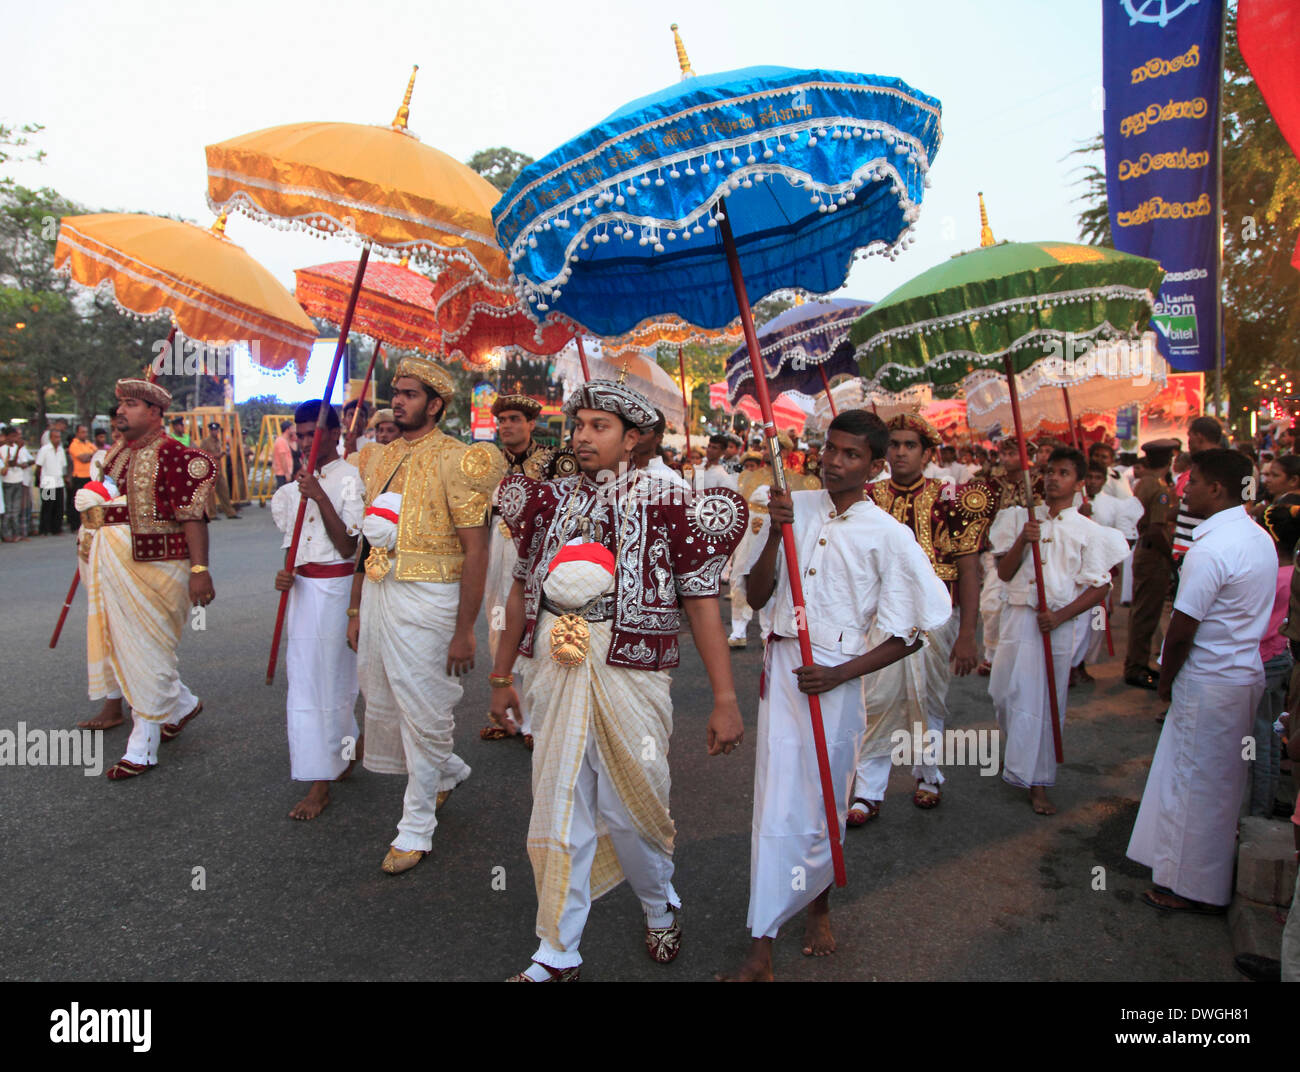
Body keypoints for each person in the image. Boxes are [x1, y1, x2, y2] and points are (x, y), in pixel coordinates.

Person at [488, 380, 748, 982]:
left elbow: (703, 602)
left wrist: (726, 698)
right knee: (557, 805)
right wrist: (501, 675)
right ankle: (557, 949)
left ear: (634, 438)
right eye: (577, 425)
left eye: (598, 426)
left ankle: (659, 905)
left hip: (631, 669)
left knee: (634, 806)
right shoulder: (546, 501)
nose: (581, 436)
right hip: (554, 663)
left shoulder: (668, 500)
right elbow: (522, 589)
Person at [719, 409, 951, 981]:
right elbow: (756, 592)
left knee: (826, 799)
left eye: (851, 455)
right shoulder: (790, 508)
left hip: (838, 684)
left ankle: (818, 904)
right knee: (775, 803)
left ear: (874, 467)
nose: (835, 461)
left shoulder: (889, 535)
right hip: (783, 671)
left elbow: (910, 634)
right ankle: (762, 942)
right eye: (830, 449)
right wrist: (775, 531)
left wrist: (842, 673)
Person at [346, 356, 505, 874]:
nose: (399, 401)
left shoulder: (460, 459)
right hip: (378, 592)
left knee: (424, 707)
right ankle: (448, 770)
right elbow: (362, 539)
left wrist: (466, 630)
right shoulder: (376, 458)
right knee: (382, 690)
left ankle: (416, 826)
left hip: (433, 599)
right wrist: (353, 606)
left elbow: (476, 551)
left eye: (411, 394)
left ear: (435, 405)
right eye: (397, 392)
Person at [1128, 449, 1277, 912]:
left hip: (1210, 678)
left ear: (1216, 489)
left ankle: (1192, 887)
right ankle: (1191, 876)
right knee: (1216, 783)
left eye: (1190, 484)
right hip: (1238, 674)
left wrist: (1165, 683)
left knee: (1194, 785)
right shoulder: (1257, 537)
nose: (1182, 491)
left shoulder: (1213, 547)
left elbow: (1180, 631)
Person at [849, 413, 995, 821]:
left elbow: (968, 568)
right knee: (876, 699)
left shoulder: (952, 498)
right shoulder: (867, 497)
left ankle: (927, 774)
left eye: (909, 445)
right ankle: (868, 790)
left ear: (927, 453)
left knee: (929, 698)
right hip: (879, 615)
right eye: (893, 444)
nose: (899, 452)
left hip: (934, 618)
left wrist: (968, 633)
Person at [76, 378, 216, 773]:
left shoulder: (173, 453)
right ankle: (181, 704)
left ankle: (143, 744)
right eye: (120, 404)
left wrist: (200, 570)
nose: (121, 411)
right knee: (132, 647)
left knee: (148, 651)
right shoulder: (116, 456)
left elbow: (193, 516)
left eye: (131, 404)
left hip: (160, 567)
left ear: (155, 413)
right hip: (115, 565)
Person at [990, 447, 1128, 814]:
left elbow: (1100, 587)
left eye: (1063, 473)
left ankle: (1038, 781)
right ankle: (1018, 756)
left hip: (1056, 624)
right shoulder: (1022, 518)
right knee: (1004, 693)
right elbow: (1004, 574)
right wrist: (1024, 539)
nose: (1052, 478)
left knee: (1043, 703)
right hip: (1018, 616)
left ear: (1079, 483)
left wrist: (1062, 615)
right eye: (1050, 471)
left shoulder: (1089, 531)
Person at [271, 400, 365, 820]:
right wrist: (285, 574)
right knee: (306, 680)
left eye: (314, 434)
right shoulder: (289, 491)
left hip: (337, 590)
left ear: (335, 433)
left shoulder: (350, 479)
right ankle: (338, 753)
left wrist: (319, 495)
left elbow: (348, 546)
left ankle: (320, 781)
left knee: (330, 682)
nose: (306, 442)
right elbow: (291, 548)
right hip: (303, 592)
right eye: (301, 435)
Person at [479, 393, 571, 749]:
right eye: (501, 421)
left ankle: (535, 719)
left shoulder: (555, 461)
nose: (506, 427)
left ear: (532, 423)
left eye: (514, 419)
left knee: (531, 628)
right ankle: (510, 712)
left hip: (534, 549)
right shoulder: (487, 462)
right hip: (496, 547)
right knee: (497, 624)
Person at [977, 436, 1042, 675]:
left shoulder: (1040, 482)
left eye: (1013, 454)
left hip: (1033, 549)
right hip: (998, 549)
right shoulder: (991, 483)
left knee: (1025, 603)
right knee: (991, 603)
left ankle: (1024, 655)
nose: (1006, 459)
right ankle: (992, 656)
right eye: (1004, 453)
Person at [1249, 503, 1298, 818]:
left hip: (1265, 657)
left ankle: (1258, 810)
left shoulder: (1272, 575)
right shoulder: (1294, 570)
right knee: (1272, 736)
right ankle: (1264, 805)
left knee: (1261, 740)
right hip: (1285, 657)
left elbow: (1260, 627)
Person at [1123, 439, 1179, 689]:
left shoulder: (1143, 482)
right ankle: (1136, 667)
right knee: (1147, 613)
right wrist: (1171, 558)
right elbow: (1157, 529)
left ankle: (1138, 663)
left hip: (1144, 551)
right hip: (1153, 553)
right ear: (1169, 461)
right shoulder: (1160, 488)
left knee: (1141, 612)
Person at [1171, 416, 1222, 561]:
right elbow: (1248, 498)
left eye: (1189, 437)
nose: (1188, 443)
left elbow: (1248, 498)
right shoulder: (1241, 464)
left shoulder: (1204, 464)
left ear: (1198, 437)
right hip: (1196, 545)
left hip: (1197, 547)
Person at [200, 422, 240, 520]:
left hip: (219, 470)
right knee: (211, 494)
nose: (215, 432)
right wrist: (215, 456)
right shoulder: (206, 442)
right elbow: (202, 455)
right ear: (210, 431)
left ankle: (230, 512)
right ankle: (212, 514)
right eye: (213, 430)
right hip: (210, 470)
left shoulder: (219, 441)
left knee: (224, 491)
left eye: (216, 430)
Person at [1, 426, 34, 542]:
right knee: (9, 509)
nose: (16, 438)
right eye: (13, 436)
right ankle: (7, 534)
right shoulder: (3, 448)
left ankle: (17, 533)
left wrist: (21, 460)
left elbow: (27, 461)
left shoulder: (18, 447)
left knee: (17, 509)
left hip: (19, 480)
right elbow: (11, 463)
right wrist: (18, 451)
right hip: (8, 482)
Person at [34, 425, 68, 536]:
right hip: (48, 480)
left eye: (59, 437)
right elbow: (38, 466)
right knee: (47, 506)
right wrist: (39, 480)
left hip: (58, 480)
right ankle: (44, 529)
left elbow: (63, 465)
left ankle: (56, 528)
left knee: (58, 506)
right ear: (50, 438)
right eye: (55, 437)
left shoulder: (61, 450)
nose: (57, 439)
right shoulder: (44, 449)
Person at [65, 424, 96, 533]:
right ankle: (74, 525)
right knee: (77, 502)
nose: (85, 434)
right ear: (77, 433)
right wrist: (92, 454)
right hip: (77, 477)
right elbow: (83, 458)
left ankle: (86, 523)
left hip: (89, 477)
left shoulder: (88, 444)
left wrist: (90, 455)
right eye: (82, 432)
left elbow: (97, 454)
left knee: (88, 501)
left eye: (86, 432)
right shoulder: (74, 445)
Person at [272, 420, 295, 489]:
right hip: (282, 473)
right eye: (292, 428)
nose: (293, 430)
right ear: (288, 429)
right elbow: (283, 458)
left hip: (284, 472)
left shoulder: (284, 440)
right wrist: (287, 473)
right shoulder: (281, 441)